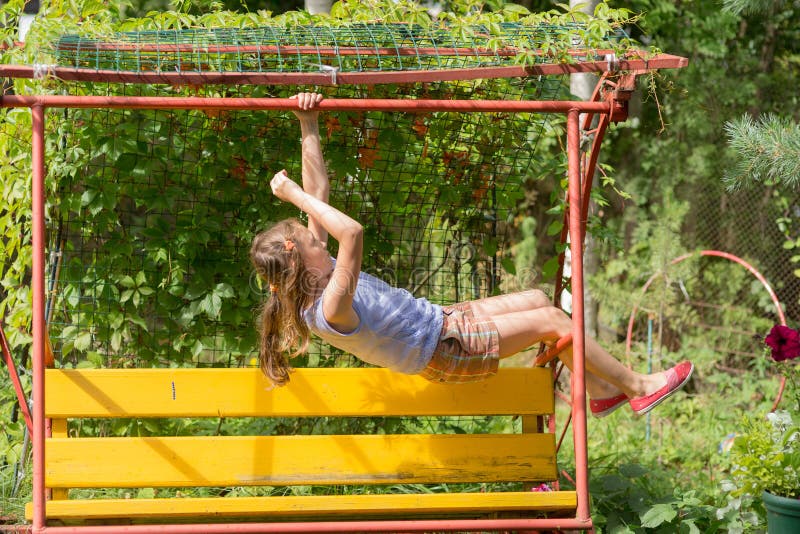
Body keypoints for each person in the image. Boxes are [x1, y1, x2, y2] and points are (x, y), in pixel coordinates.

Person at [250, 92, 693, 417]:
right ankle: (639, 386)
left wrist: (307, 125)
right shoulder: (330, 304)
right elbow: (352, 232)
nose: (315, 232)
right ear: (296, 254)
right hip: (445, 350)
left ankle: (599, 388)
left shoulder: (318, 272)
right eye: (304, 233)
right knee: (556, 322)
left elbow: (318, 191)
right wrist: (291, 197)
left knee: (540, 301)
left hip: (443, 322)